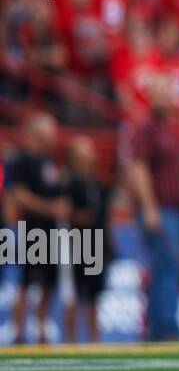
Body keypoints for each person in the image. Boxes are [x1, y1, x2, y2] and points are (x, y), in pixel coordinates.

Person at [127, 78, 179, 341]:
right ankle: (164, 326)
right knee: (166, 265)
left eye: (166, 93)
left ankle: (162, 323)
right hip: (162, 209)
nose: (162, 99)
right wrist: (149, 207)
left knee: (171, 266)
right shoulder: (146, 128)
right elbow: (138, 167)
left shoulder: (177, 128)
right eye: (157, 93)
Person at [7, 114, 68, 345]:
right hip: (32, 228)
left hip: (51, 230)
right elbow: (20, 196)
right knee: (26, 282)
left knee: (47, 284)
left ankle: (43, 331)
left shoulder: (49, 162)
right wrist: (50, 208)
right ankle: (19, 332)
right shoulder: (22, 160)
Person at [65, 137, 112, 344]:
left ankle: (94, 339)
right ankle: (71, 340)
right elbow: (64, 212)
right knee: (74, 294)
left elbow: (104, 216)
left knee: (94, 295)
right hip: (76, 243)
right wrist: (78, 217)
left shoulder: (98, 184)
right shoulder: (69, 183)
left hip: (97, 243)